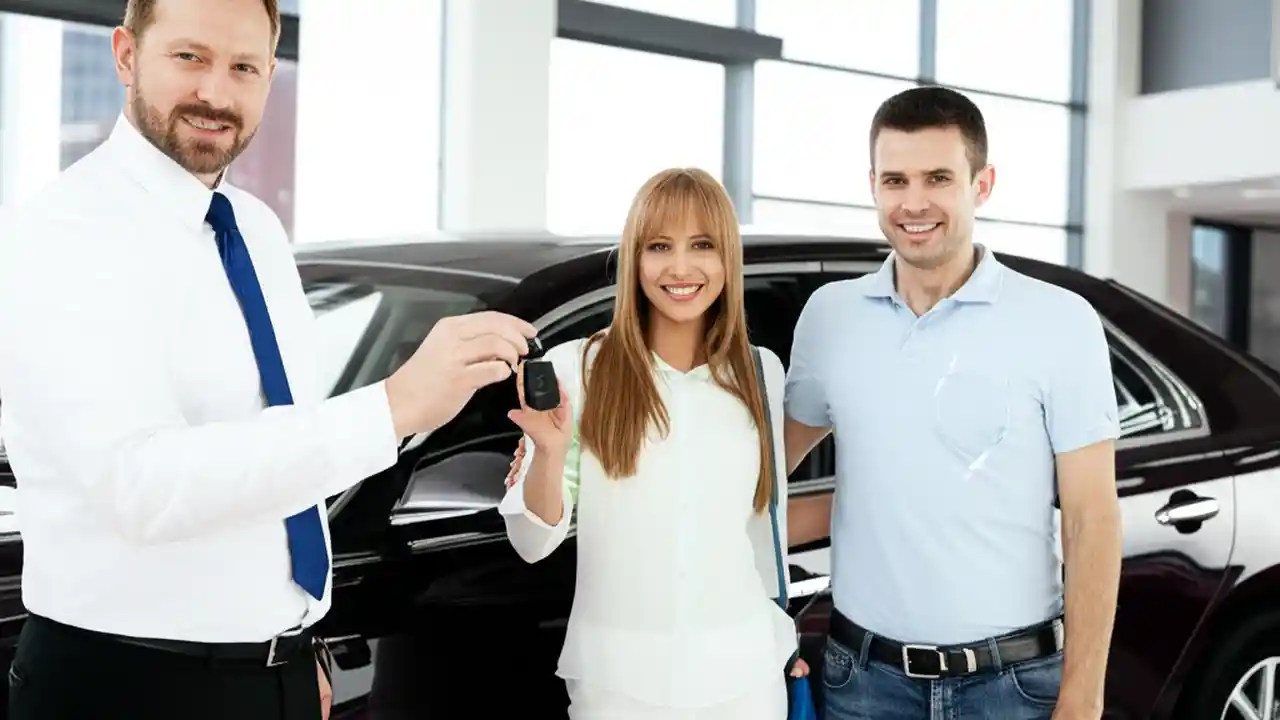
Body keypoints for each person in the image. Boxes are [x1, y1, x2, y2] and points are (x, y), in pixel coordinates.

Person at [0, 1, 535, 718]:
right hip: (128, 684)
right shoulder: (62, 234)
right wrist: (393, 406)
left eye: (244, 66)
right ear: (126, 54)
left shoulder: (252, 228)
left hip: (272, 675)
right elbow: (139, 486)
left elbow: (281, 437)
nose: (217, 94)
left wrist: (292, 636)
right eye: (190, 57)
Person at [782, 85, 1123, 719]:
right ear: (873, 185)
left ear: (982, 183)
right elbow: (759, 473)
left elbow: (1091, 519)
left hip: (1013, 686)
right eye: (895, 180)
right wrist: (629, 345)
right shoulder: (830, 317)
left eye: (938, 177)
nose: (914, 203)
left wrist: (1084, 694)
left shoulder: (1059, 321)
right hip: (861, 684)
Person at [500, 167, 809, 719]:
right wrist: (548, 454)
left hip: (746, 681)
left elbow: (763, 528)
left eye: (703, 246)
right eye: (660, 246)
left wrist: (778, 638)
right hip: (619, 687)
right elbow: (532, 542)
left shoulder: (760, 372)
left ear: (726, 260)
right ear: (635, 258)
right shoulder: (578, 369)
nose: (681, 267)